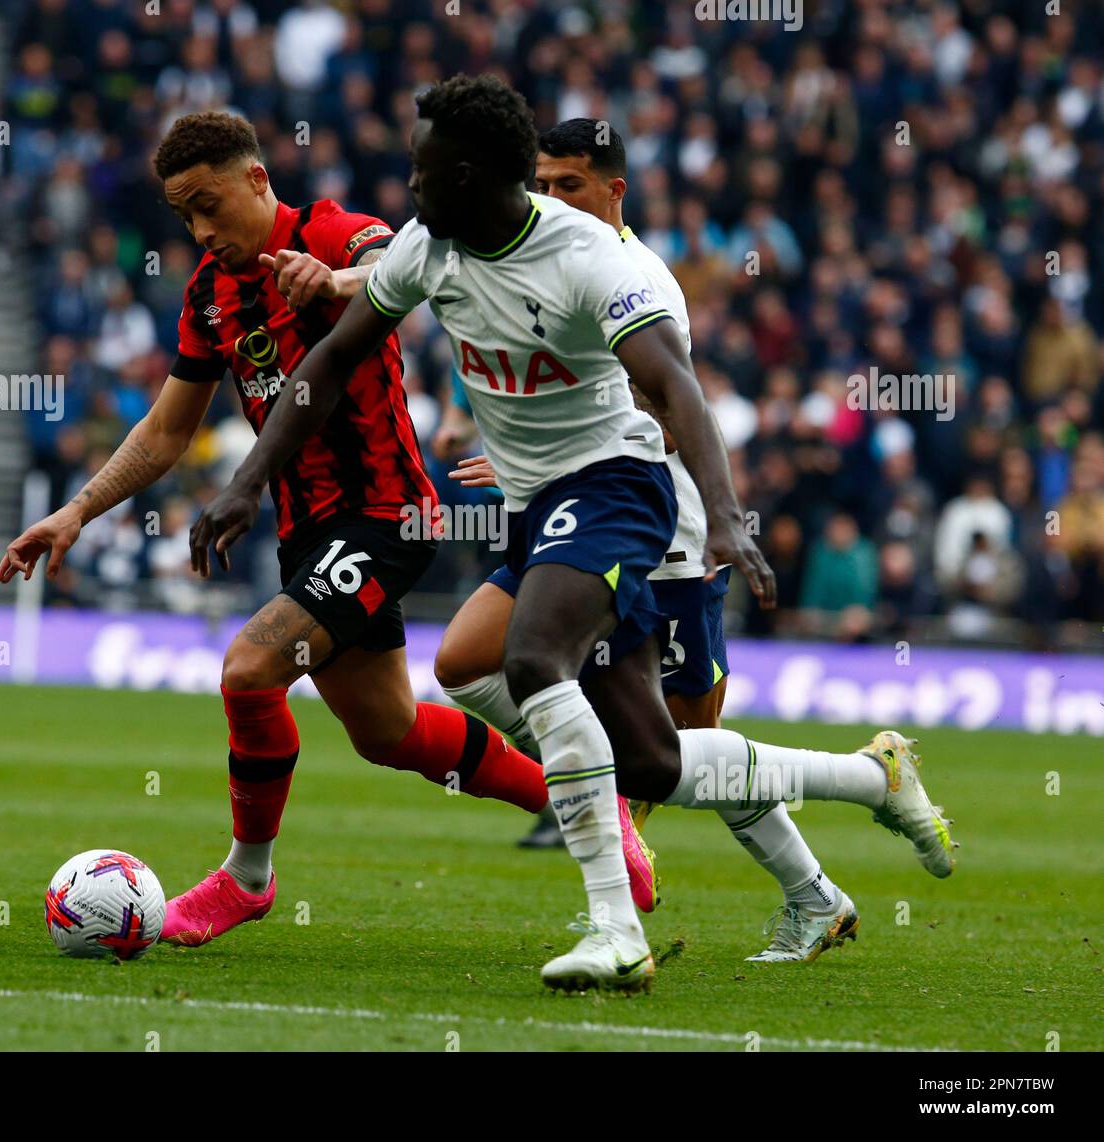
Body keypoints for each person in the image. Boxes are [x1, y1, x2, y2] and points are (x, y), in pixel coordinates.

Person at [188, 77, 958, 992]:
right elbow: (331, 357)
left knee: (533, 659)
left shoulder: (598, 260)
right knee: (648, 757)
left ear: (468, 172)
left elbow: (676, 388)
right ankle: (877, 780)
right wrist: (246, 483)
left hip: (620, 487)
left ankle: (615, 930)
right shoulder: (432, 248)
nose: (410, 184)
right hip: (540, 506)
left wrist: (727, 518)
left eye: (422, 167)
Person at [0, 110, 656, 952]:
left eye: (210, 204)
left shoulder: (330, 231)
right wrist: (77, 510)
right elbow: (166, 431)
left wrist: (341, 278)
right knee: (393, 733)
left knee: (249, 669)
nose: (201, 229)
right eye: (183, 215)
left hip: (388, 517)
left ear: (257, 180)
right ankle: (586, 810)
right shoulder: (208, 295)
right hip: (309, 533)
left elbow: (394, 264)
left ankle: (246, 878)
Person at [432, 119, 862, 964]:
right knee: (468, 662)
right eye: (542, 184)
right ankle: (596, 810)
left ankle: (826, 861)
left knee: (678, 755)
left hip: (662, 536)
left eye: (570, 185)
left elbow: (666, 414)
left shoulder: (634, 275)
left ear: (614, 190)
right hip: (563, 517)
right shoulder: (543, 259)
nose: (552, 200)